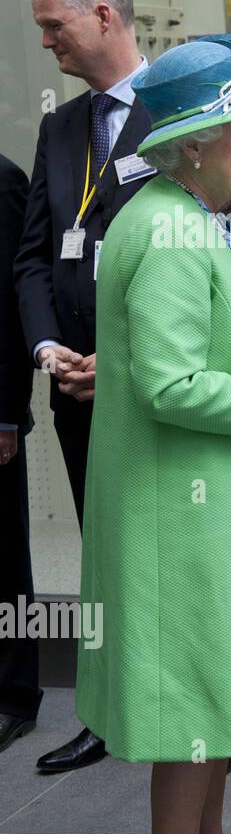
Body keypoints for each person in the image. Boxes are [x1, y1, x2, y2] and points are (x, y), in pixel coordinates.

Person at [75, 34, 231, 834]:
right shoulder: (166, 232)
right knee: (192, 726)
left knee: (209, 725)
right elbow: (169, 383)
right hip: (182, 533)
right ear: (194, 144)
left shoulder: (185, 215)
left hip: (203, 517)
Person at [13, 0, 151, 774]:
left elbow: (213, 260)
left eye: (50, 23)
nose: (44, 42)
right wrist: (46, 347)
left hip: (158, 387)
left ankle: (193, 714)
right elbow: (33, 256)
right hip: (77, 387)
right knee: (103, 555)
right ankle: (105, 709)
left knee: (169, 548)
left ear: (103, 16)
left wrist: (126, 360)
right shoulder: (60, 128)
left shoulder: (182, 115)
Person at [0, 155, 36, 755]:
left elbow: (10, 307)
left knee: (2, 558)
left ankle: (13, 695)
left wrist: (6, 412)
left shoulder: (2, 181)